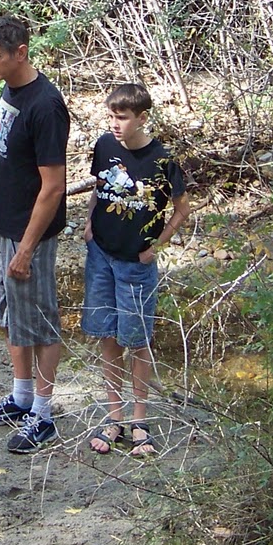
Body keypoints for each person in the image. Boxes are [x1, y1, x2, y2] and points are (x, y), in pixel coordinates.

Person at [0, 16, 71, 453]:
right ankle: (21, 396)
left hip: (29, 235)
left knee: (42, 321)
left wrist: (26, 248)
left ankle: (43, 415)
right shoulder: (11, 89)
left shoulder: (46, 105)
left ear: (20, 53)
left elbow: (53, 186)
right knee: (12, 315)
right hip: (0, 223)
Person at [81, 83, 189, 458]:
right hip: (101, 256)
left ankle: (140, 421)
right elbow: (99, 186)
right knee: (106, 336)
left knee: (137, 340)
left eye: (122, 118)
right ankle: (114, 418)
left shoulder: (162, 159)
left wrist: (156, 247)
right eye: (111, 116)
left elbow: (181, 210)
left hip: (136, 263)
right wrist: (90, 222)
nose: (115, 124)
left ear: (142, 118)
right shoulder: (105, 146)